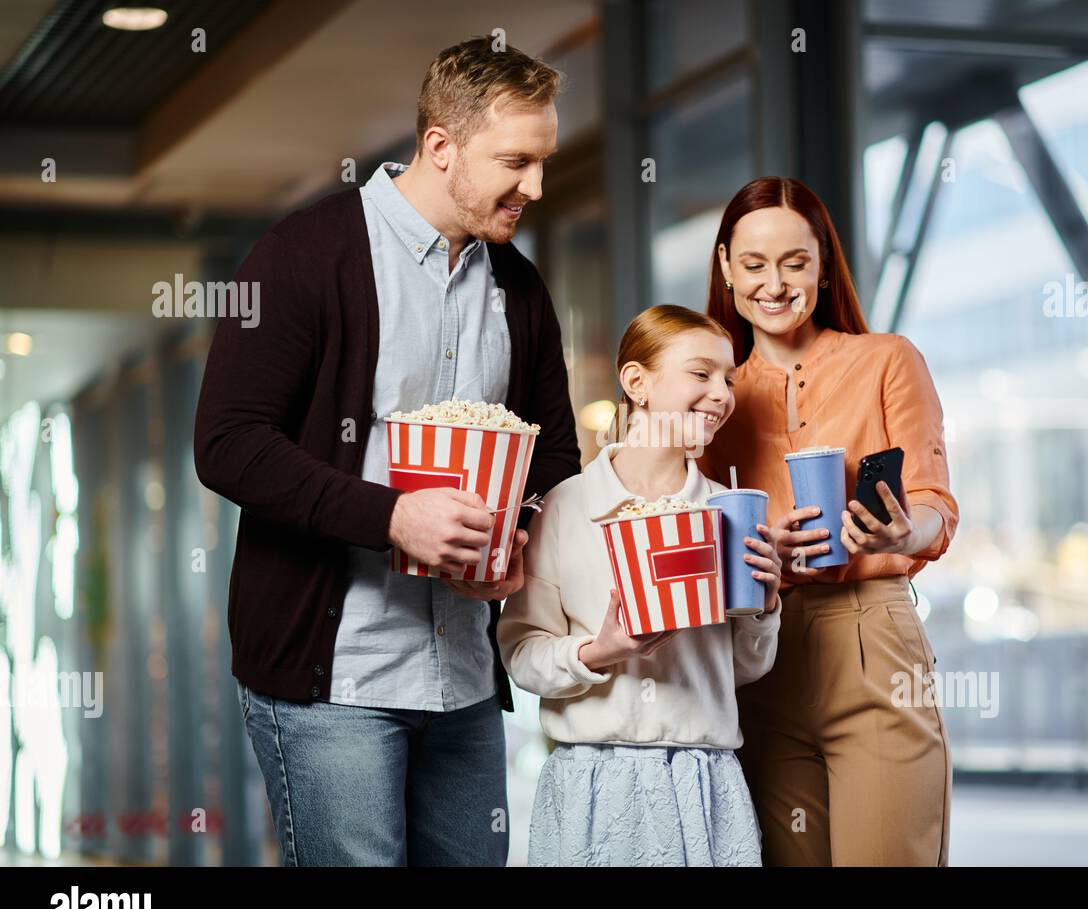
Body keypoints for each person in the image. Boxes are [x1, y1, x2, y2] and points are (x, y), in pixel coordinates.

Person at [193, 37, 580, 866]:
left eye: (544, 162)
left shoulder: (519, 286)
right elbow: (227, 445)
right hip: (333, 681)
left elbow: (554, 458)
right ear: (440, 147)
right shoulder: (299, 255)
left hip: (466, 681)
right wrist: (393, 516)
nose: (536, 188)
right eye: (517, 161)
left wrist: (527, 535)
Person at [700, 176, 959, 866]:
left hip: (872, 640)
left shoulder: (887, 360)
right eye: (753, 264)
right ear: (726, 268)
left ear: (822, 265)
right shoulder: (715, 400)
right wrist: (761, 557)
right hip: (761, 659)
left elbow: (936, 503)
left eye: (795, 262)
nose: (774, 284)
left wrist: (904, 533)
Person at [497, 305, 784, 866]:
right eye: (701, 374)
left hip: (705, 783)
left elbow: (744, 670)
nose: (721, 394)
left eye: (728, 379)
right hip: (589, 782)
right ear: (636, 383)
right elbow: (521, 655)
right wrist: (598, 652)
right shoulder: (565, 506)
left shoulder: (728, 513)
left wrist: (763, 607)